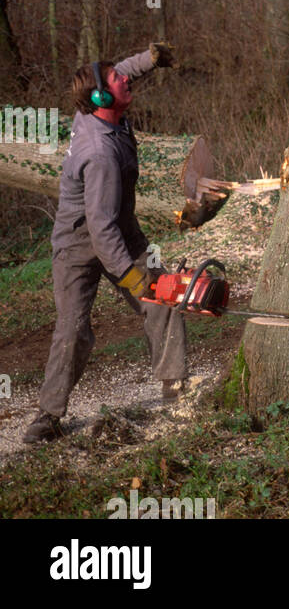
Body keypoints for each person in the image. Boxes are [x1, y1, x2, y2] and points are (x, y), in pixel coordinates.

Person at [23, 44, 187, 444]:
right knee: (74, 329)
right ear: (100, 97)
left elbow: (123, 70)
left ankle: (176, 390)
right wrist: (132, 278)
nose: (125, 79)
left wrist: (150, 59)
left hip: (121, 227)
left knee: (162, 297)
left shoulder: (98, 109)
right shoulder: (100, 152)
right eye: (116, 79)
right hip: (80, 242)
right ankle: (48, 416)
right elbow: (100, 228)